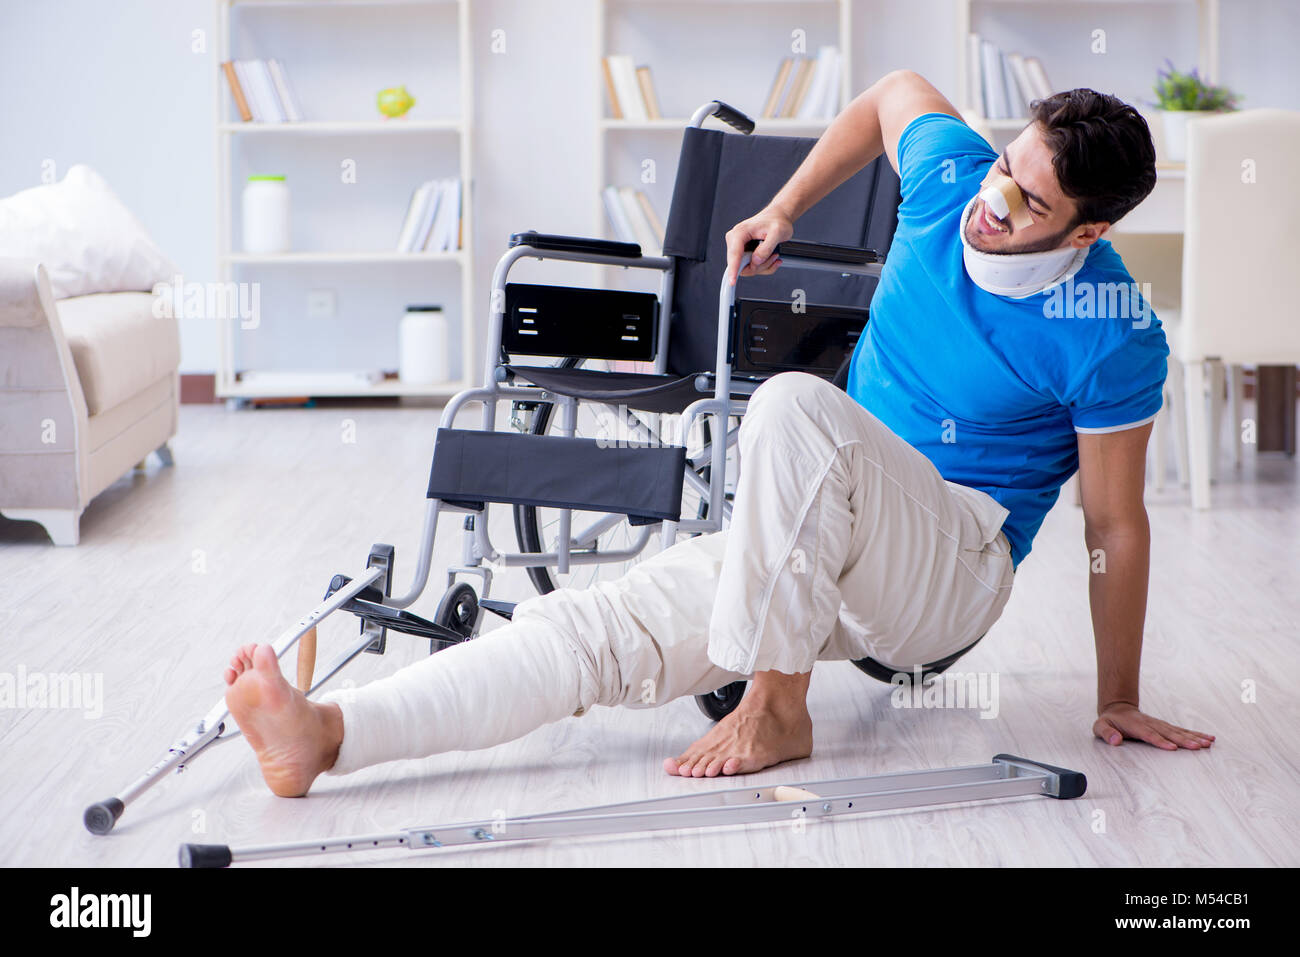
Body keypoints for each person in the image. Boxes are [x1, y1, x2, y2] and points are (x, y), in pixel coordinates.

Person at [224, 70, 1213, 799]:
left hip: (952, 566)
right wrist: (782, 205)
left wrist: (1116, 694)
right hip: (826, 521)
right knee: (603, 626)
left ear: (1085, 233)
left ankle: (777, 705)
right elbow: (891, 95)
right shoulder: (953, 174)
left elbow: (1114, 523)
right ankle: (330, 735)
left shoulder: (1110, 329)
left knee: (790, 404)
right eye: (1006, 165)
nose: (991, 204)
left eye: (1031, 201)